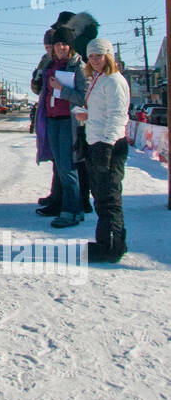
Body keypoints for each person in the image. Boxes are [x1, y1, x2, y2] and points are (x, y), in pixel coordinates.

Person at [80, 39, 130, 263]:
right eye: (91, 56)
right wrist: (86, 116)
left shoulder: (114, 81)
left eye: (99, 55)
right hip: (96, 142)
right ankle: (110, 241)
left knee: (108, 197)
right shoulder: (98, 79)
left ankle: (111, 246)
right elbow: (101, 112)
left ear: (108, 56)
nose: (94, 60)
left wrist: (107, 147)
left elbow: (118, 116)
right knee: (100, 196)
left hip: (109, 145)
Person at [32, 28, 91, 215]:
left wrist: (62, 89)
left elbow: (84, 98)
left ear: (70, 46)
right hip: (52, 119)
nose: (61, 47)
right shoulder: (49, 65)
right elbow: (42, 91)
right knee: (59, 167)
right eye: (58, 44)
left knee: (68, 169)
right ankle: (64, 206)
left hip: (69, 121)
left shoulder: (79, 66)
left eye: (65, 44)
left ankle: (72, 210)